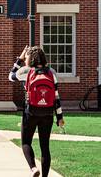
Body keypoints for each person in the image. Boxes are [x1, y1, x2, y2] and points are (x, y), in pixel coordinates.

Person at [9, 46, 64, 177]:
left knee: (26, 142)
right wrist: (60, 117)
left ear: (30, 58)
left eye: (27, 56)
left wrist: (19, 60)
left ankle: (33, 168)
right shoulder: (51, 72)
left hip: (31, 112)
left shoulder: (26, 71)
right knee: (45, 147)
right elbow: (56, 96)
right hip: (48, 113)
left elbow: (10, 76)